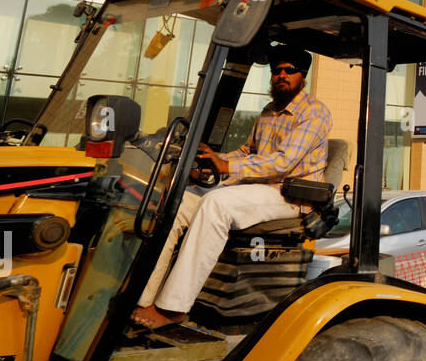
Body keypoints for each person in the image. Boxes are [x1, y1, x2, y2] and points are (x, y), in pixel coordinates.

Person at [132, 48, 332, 330]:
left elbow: (282, 162)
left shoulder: (314, 112)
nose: (282, 76)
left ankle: (174, 307)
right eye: (277, 71)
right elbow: (247, 151)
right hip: (258, 188)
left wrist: (226, 169)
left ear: (304, 76)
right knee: (180, 201)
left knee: (217, 203)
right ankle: (144, 296)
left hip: (290, 194)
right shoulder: (269, 111)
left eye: (290, 70)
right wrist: (212, 161)